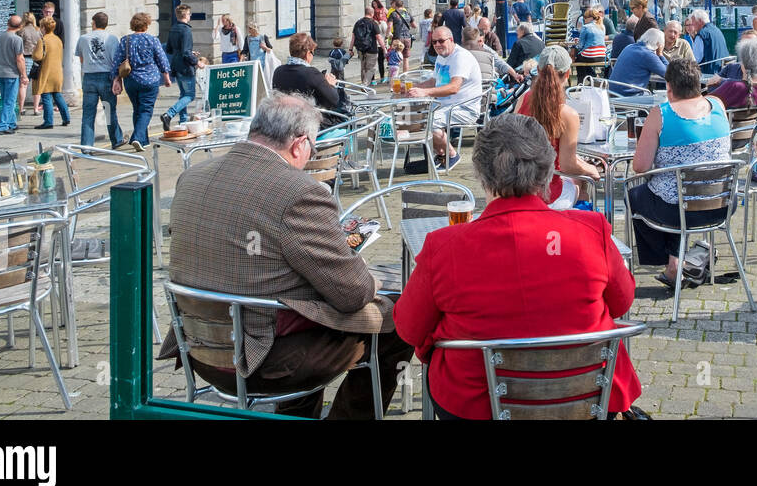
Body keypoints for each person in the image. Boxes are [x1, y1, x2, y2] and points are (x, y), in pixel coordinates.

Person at [158, 93, 413, 418]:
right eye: (313, 146)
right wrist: (357, 265)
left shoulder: (192, 176)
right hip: (263, 361)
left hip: (197, 349)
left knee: (304, 307)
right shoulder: (299, 192)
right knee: (399, 320)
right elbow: (353, 293)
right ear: (299, 144)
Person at [394, 114, 638, 419]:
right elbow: (622, 302)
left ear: (482, 175)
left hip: (476, 405)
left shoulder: (444, 246)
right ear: (548, 171)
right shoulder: (591, 230)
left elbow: (408, 328)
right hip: (585, 397)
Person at [630, 58, 732, 288]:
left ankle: (668, 262)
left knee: (637, 195)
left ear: (669, 86)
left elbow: (640, 167)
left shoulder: (661, 114)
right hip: (722, 204)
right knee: (674, 193)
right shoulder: (717, 105)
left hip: (679, 211)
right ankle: (675, 261)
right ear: (699, 83)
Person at [518, 46, 604, 207]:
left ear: (538, 69)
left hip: (519, 186)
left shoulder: (523, 99)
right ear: (567, 74)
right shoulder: (567, 114)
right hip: (548, 193)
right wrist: (590, 169)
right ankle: (576, 224)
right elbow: (567, 165)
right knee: (582, 183)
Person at [409, 26, 483, 170]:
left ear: (451, 40)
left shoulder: (460, 57)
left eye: (441, 41)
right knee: (410, 119)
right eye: (434, 42)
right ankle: (440, 155)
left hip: (464, 108)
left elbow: (454, 87)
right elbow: (434, 82)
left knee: (428, 121)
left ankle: (452, 155)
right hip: (444, 106)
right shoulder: (441, 57)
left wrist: (425, 93)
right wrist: (414, 87)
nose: (437, 45)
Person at [112, 12, 171, 151]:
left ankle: (143, 141)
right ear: (146, 25)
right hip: (150, 79)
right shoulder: (152, 40)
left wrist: (116, 79)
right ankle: (137, 138)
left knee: (137, 109)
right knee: (146, 110)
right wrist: (166, 77)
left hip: (131, 80)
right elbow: (162, 59)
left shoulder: (125, 40)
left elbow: (117, 61)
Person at [78, 11, 124, 147]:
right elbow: (116, 60)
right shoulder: (112, 38)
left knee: (88, 114)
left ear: (93, 22)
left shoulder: (83, 38)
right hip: (106, 76)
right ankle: (116, 140)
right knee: (109, 110)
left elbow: (81, 59)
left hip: (89, 77)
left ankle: (86, 145)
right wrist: (117, 79)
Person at [272, 32, 341, 112]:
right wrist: (331, 84)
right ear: (308, 53)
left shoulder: (278, 71)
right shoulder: (311, 73)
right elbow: (334, 100)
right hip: (307, 121)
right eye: (313, 53)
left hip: (283, 119)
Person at [160, 4, 200, 132]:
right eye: (189, 14)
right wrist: (197, 62)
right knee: (190, 95)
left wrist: (187, 51)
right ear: (185, 15)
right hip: (185, 67)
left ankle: (183, 123)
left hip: (176, 66)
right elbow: (186, 53)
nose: (190, 16)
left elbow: (169, 49)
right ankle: (169, 114)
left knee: (183, 94)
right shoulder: (186, 30)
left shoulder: (173, 28)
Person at [709, 35, 757, 111]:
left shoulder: (734, 86)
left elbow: (706, 103)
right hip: (755, 122)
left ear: (743, 64)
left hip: (728, 122)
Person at [608, 27, 670, 96]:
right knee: (659, 99)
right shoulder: (648, 54)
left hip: (612, 92)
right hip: (628, 95)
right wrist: (660, 54)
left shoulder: (629, 47)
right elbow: (668, 74)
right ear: (659, 44)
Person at [0, 15, 29, 136]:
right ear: (20, 26)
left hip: (0, 72)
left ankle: (12, 123)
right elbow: (20, 59)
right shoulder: (17, 39)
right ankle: (2, 126)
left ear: (8, 24)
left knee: (6, 100)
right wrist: (24, 75)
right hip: (12, 73)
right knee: (10, 101)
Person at [32, 17, 69, 130]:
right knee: (57, 95)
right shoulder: (58, 39)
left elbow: (37, 56)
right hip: (57, 71)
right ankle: (66, 118)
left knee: (46, 96)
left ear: (43, 27)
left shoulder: (42, 40)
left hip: (46, 72)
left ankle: (48, 121)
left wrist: (34, 52)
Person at [685, 8, 729, 74]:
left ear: (700, 21)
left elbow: (695, 59)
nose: (692, 25)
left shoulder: (702, 35)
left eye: (693, 22)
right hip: (722, 71)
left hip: (708, 73)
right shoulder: (717, 30)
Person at [17, 11, 42, 116]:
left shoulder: (21, 31)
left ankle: (21, 109)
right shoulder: (39, 31)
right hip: (37, 59)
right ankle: (36, 109)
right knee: (36, 85)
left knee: (23, 85)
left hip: (25, 58)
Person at [351, 8, 383, 86]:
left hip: (361, 49)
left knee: (363, 67)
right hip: (372, 49)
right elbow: (378, 37)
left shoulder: (358, 23)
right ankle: (365, 85)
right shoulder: (373, 23)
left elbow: (353, 37)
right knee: (371, 68)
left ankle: (363, 83)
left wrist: (350, 49)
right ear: (372, 13)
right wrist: (384, 48)